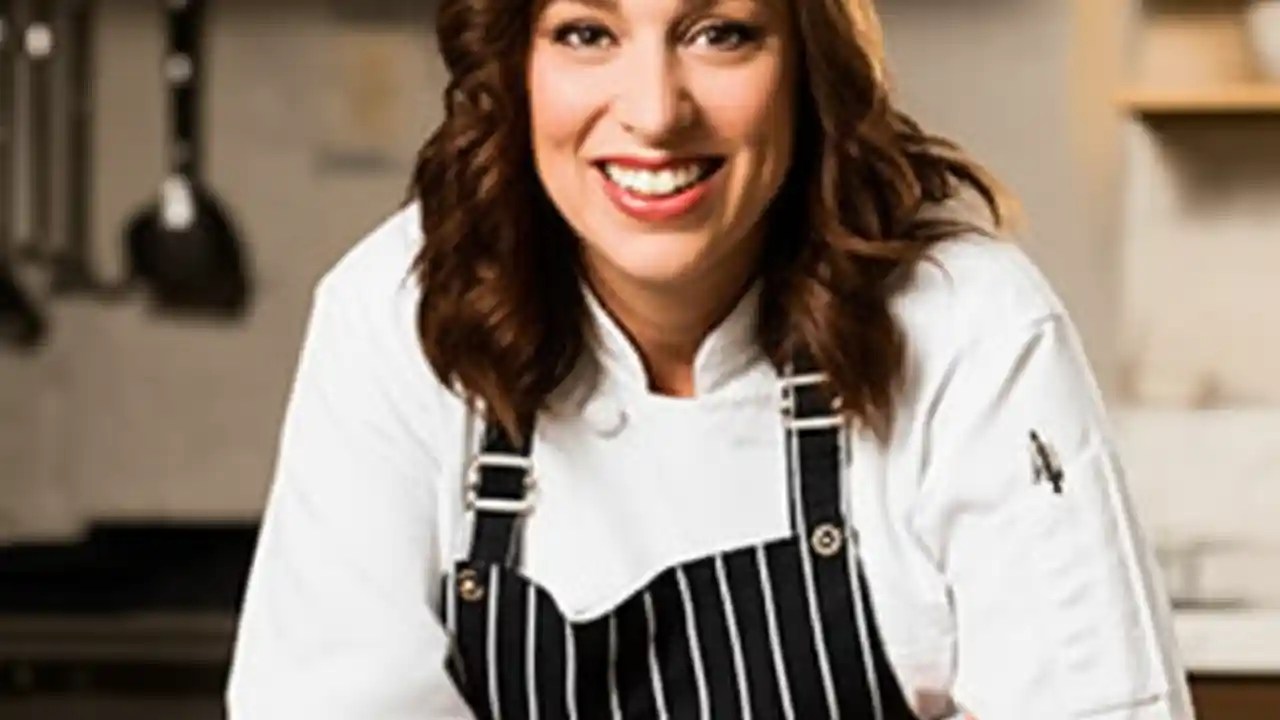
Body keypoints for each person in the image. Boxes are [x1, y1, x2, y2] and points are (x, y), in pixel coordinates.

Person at [225, 0, 1195, 717]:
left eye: (718, 31)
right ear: (514, 62)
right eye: (585, 33)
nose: (652, 112)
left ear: (806, 57)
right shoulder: (399, 310)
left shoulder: (964, 328)